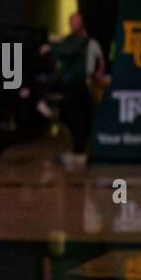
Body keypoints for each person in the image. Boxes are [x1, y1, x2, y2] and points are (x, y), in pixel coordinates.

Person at [40, 11, 107, 168]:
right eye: (70, 21)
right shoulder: (69, 40)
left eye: (75, 21)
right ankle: (78, 148)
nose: (71, 24)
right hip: (70, 85)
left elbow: (99, 62)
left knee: (79, 118)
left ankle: (80, 151)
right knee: (67, 115)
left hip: (82, 85)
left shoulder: (86, 42)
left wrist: (97, 77)